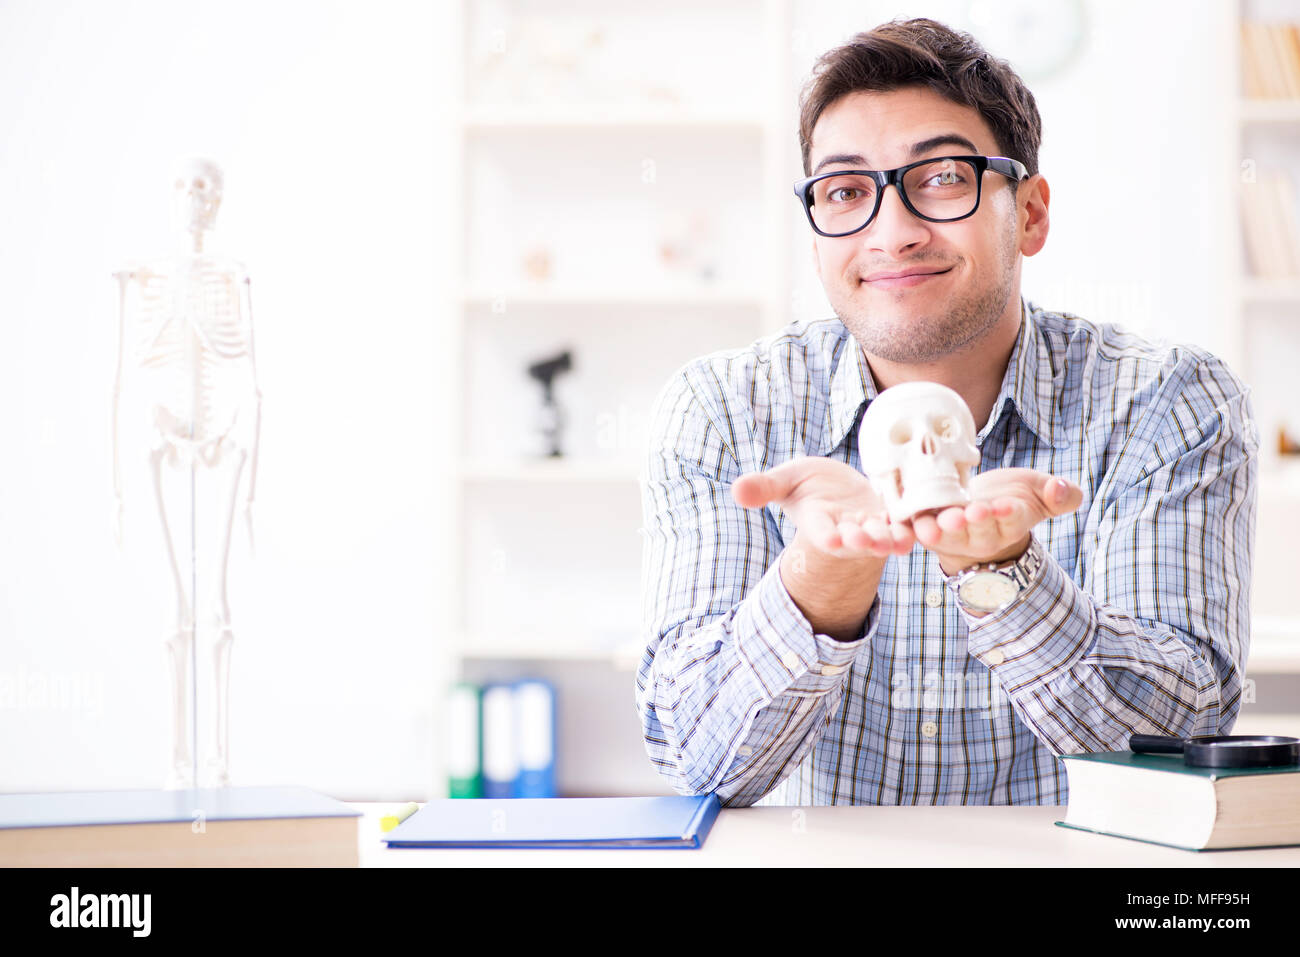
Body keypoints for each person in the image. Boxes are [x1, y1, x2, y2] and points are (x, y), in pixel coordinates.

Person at [635, 18, 1258, 806]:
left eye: (941, 178)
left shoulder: (1168, 403)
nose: (891, 233)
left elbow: (1177, 745)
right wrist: (818, 584)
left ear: (1029, 213)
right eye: (847, 191)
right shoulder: (721, 411)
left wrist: (1006, 577)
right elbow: (698, 763)